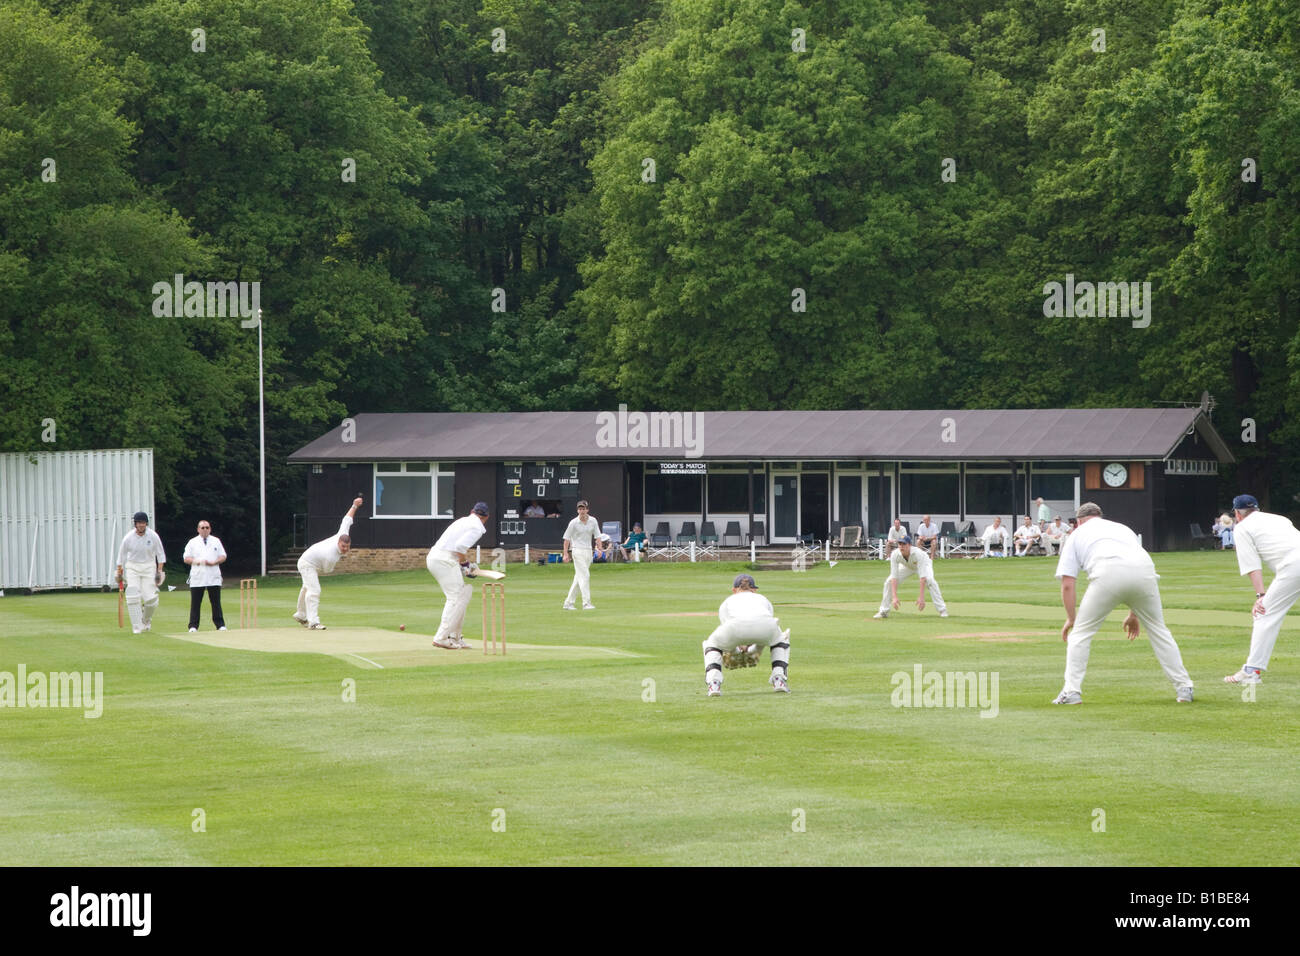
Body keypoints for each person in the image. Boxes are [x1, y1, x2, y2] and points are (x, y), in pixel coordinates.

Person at [1052, 503, 1193, 704]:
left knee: (1080, 635)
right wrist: (1134, 613)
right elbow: (1132, 567)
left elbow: (1067, 584)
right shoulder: (1122, 528)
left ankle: (1071, 692)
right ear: (1099, 516)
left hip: (1107, 573)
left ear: (1080, 521)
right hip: (1146, 572)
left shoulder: (1076, 534)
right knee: (1159, 631)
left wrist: (1071, 618)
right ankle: (1184, 687)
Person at [1223, 495, 1300, 685]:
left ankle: (1251, 671)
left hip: (1294, 566)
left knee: (1263, 613)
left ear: (1237, 514)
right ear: (1256, 508)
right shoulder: (1279, 518)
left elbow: (1251, 565)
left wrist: (1261, 595)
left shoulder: (1241, 528)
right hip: (1293, 564)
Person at [702, 573, 790, 696]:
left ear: (734, 590)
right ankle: (779, 679)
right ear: (754, 590)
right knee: (781, 638)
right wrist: (751, 648)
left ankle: (714, 683)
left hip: (734, 629)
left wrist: (737, 650)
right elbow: (763, 622)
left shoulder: (728, 601)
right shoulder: (763, 599)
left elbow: (730, 628)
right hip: (766, 628)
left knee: (712, 644)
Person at [427, 502, 490, 650]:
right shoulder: (477, 527)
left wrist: (464, 566)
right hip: (444, 560)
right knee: (456, 597)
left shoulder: (463, 520)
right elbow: (460, 547)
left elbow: (456, 549)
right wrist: (465, 564)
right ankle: (441, 637)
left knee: (461, 596)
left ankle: (455, 637)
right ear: (486, 517)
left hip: (437, 557)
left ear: (472, 511)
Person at [294, 497, 363, 630]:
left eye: (347, 547)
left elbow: (347, 520)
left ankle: (301, 615)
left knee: (307, 587)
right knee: (314, 590)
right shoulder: (331, 555)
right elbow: (327, 570)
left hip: (309, 559)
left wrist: (354, 506)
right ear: (338, 543)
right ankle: (313, 622)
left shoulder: (343, 533)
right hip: (307, 563)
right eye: (343, 547)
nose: (345, 549)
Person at [873, 536, 948, 619]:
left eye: (904, 544)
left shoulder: (918, 554)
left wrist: (921, 598)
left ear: (909, 545)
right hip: (906, 566)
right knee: (888, 582)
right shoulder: (895, 554)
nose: (901, 546)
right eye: (900, 544)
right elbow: (894, 577)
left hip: (924, 564)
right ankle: (883, 611)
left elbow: (922, 578)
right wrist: (894, 597)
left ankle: (942, 610)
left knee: (930, 581)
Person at [116, 511, 167, 634]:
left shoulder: (153, 536)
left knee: (151, 599)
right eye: (139, 523)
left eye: (143, 523)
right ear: (135, 524)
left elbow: (160, 555)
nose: (141, 525)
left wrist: (159, 571)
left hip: (149, 567)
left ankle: (146, 619)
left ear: (146, 524)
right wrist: (119, 572)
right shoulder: (128, 537)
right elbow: (121, 556)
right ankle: (137, 626)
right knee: (133, 595)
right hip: (132, 567)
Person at [183, 519, 227, 632]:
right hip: (198, 576)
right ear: (198, 529)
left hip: (213, 575)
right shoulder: (192, 542)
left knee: (216, 602)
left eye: (207, 527)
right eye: (202, 528)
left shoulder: (216, 541)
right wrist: (199, 562)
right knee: (196, 603)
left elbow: (223, 556)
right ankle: (193, 626)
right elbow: (186, 558)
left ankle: (220, 625)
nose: (205, 529)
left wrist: (215, 562)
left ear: (210, 529)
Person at [562, 500, 600, 609]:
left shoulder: (593, 521)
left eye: (583, 509)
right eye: (580, 509)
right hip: (577, 551)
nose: (582, 511)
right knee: (585, 576)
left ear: (587, 509)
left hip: (588, 551)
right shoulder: (573, 523)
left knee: (579, 578)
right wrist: (565, 554)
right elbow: (566, 539)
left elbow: (597, 536)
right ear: (577, 510)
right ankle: (586, 603)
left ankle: (568, 603)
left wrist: (599, 549)